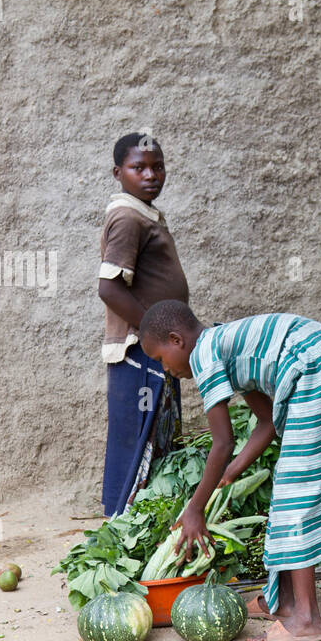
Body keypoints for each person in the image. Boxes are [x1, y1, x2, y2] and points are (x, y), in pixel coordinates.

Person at [138, 300, 321, 641]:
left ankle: (306, 620)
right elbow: (266, 423)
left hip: (319, 366)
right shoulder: (225, 347)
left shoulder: (204, 355)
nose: (167, 370)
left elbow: (222, 442)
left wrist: (194, 510)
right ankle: (283, 602)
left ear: (177, 340)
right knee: (289, 487)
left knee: (295, 494)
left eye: (161, 360)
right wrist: (231, 473)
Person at [98, 132, 189, 517]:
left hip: (156, 352)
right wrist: (154, 334)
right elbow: (109, 287)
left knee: (157, 437)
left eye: (158, 167)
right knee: (138, 438)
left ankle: (144, 519)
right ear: (119, 172)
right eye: (139, 168)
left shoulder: (143, 213)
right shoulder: (126, 217)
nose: (150, 175)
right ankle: (121, 523)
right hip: (141, 354)